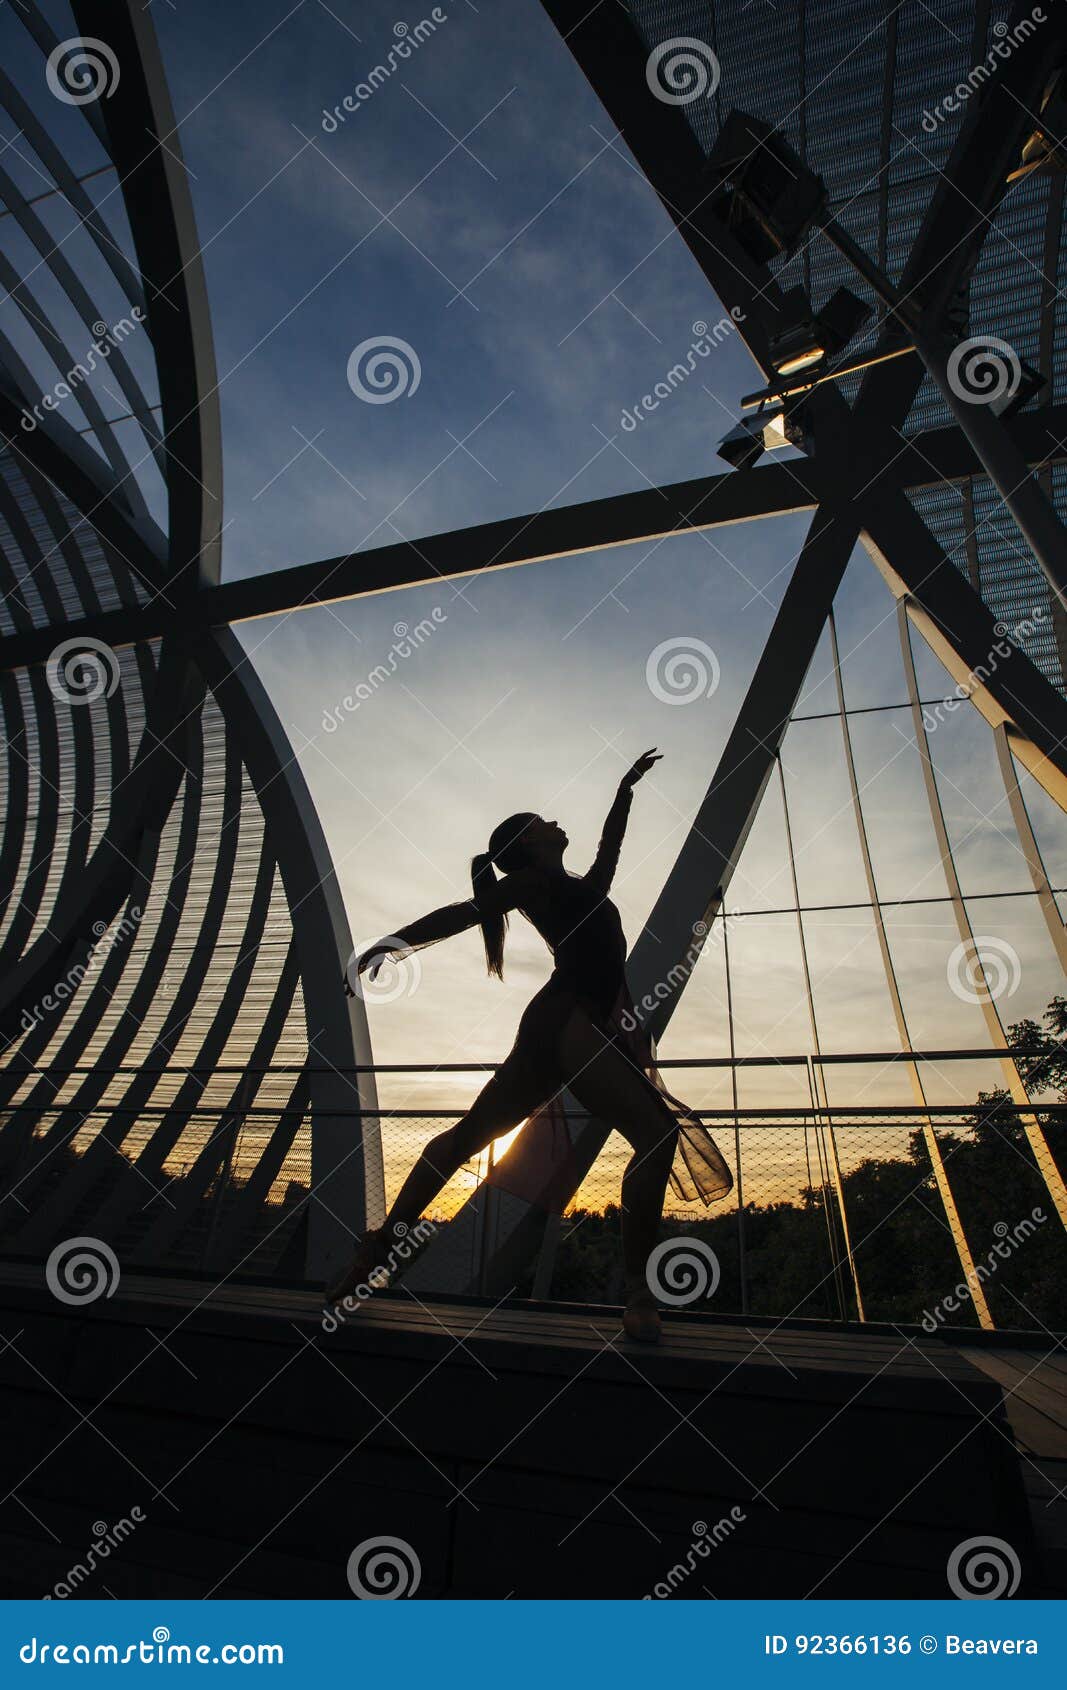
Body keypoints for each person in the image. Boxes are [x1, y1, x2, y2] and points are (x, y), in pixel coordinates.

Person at [330, 750, 732, 1342]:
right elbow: (463, 913)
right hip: (569, 1022)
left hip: (557, 1026)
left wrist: (625, 792)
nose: (554, 823)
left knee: (468, 1138)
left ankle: (378, 1248)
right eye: (543, 822)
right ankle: (640, 1294)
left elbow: (609, 855)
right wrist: (390, 945)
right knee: (656, 1134)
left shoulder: (573, 885)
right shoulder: (533, 881)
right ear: (530, 844)